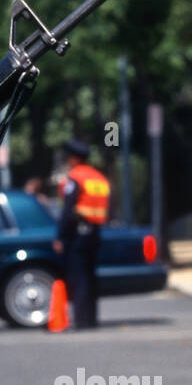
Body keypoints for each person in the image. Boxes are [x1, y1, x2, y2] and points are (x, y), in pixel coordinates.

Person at [54, 139, 110, 330]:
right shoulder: (98, 178)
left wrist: (60, 237)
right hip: (95, 233)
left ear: (74, 158)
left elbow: (68, 210)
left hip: (77, 233)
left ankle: (81, 320)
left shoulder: (75, 177)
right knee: (90, 276)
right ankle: (91, 319)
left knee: (78, 277)